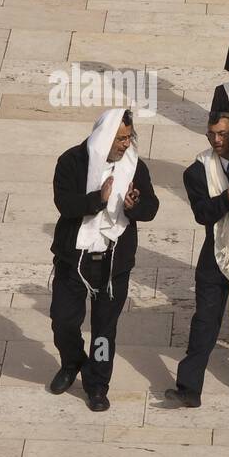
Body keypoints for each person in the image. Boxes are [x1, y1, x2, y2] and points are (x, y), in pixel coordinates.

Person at [48, 108, 159, 412]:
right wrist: (98, 199)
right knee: (63, 320)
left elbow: (151, 207)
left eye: (129, 137)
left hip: (113, 264)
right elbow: (65, 203)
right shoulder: (71, 161)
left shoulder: (135, 167)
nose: (126, 144)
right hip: (75, 260)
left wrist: (134, 206)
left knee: (103, 330)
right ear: (106, 136)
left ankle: (97, 385)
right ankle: (72, 363)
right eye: (121, 138)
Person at [165, 113, 229, 406]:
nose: (217, 141)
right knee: (205, 320)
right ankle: (189, 387)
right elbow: (203, 214)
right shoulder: (197, 171)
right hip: (216, 251)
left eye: (223, 134)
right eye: (211, 134)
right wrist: (226, 199)